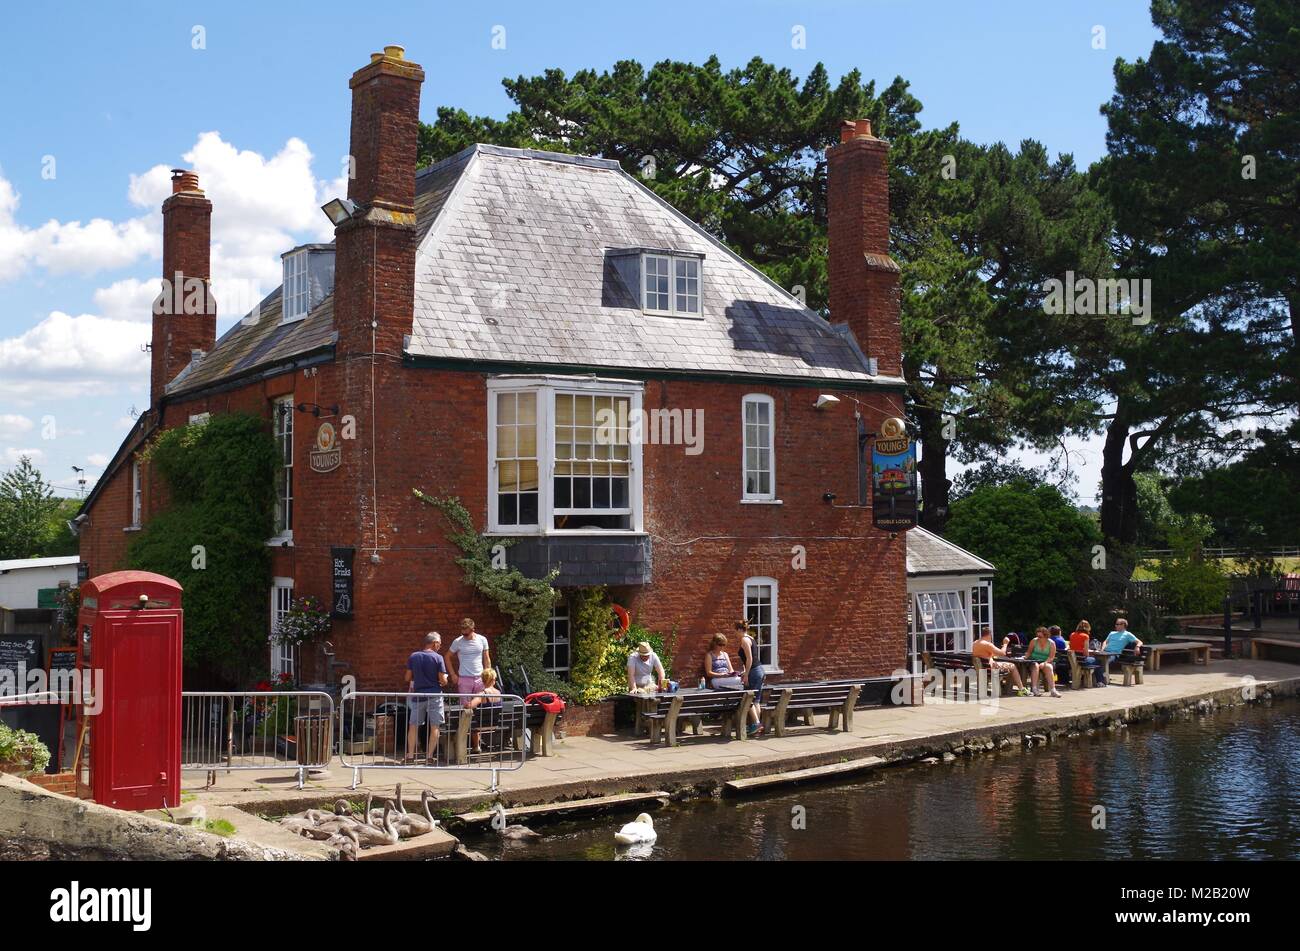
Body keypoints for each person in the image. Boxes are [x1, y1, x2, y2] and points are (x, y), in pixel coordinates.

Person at [405, 632, 448, 764]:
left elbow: (407, 678)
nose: (440, 646)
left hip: (418, 695)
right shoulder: (438, 658)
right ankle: (429, 756)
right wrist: (444, 680)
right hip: (434, 694)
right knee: (435, 726)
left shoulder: (414, 656)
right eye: (439, 644)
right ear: (435, 643)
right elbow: (442, 680)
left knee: (413, 726)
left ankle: (411, 756)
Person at [971, 627, 1029, 696]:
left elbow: (987, 654)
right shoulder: (987, 644)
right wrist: (1005, 644)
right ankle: (1021, 689)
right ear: (989, 634)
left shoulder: (975, 643)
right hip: (991, 668)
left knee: (1008, 666)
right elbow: (1002, 653)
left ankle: (1009, 687)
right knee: (1013, 666)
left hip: (983, 668)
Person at [449, 617, 492, 696]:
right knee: (467, 706)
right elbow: (447, 657)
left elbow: (487, 658)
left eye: (466, 634)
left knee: (481, 705)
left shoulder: (482, 639)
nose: (464, 636)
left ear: (473, 630)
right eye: (463, 633)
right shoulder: (458, 641)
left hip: (480, 678)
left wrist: (489, 675)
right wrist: (453, 674)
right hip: (464, 678)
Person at [734, 621, 763, 735]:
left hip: (753, 672)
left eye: (735, 630)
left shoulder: (744, 640)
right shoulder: (751, 638)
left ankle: (756, 724)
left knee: (748, 697)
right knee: (756, 700)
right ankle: (757, 727)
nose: (735, 633)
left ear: (740, 630)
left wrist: (746, 674)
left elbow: (749, 659)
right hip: (759, 670)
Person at [1025, 626, 1061, 697]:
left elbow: (1051, 657)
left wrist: (1044, 663)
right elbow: (1029, 652)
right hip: (1034, 660)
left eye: (1040, 636)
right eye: (1037, 636)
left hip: (1046, 661)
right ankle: (1034, 689)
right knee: (1035, 666)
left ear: (1046, 636)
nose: (1038, 637)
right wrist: (1025, 657)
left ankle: (1053, 690)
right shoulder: (1034, 641)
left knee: (1049, 667)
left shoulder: (1051, 643)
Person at [1069, 620, 1106, 687]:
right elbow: (1086, 652)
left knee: (1094, 661)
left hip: (1073, 660)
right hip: (1082, 660)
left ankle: (1097, 681)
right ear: (1088, 627)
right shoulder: (1085, 636)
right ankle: (1100, 681)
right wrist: (1089, 656)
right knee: (1099, 661)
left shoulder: (1072, 634)